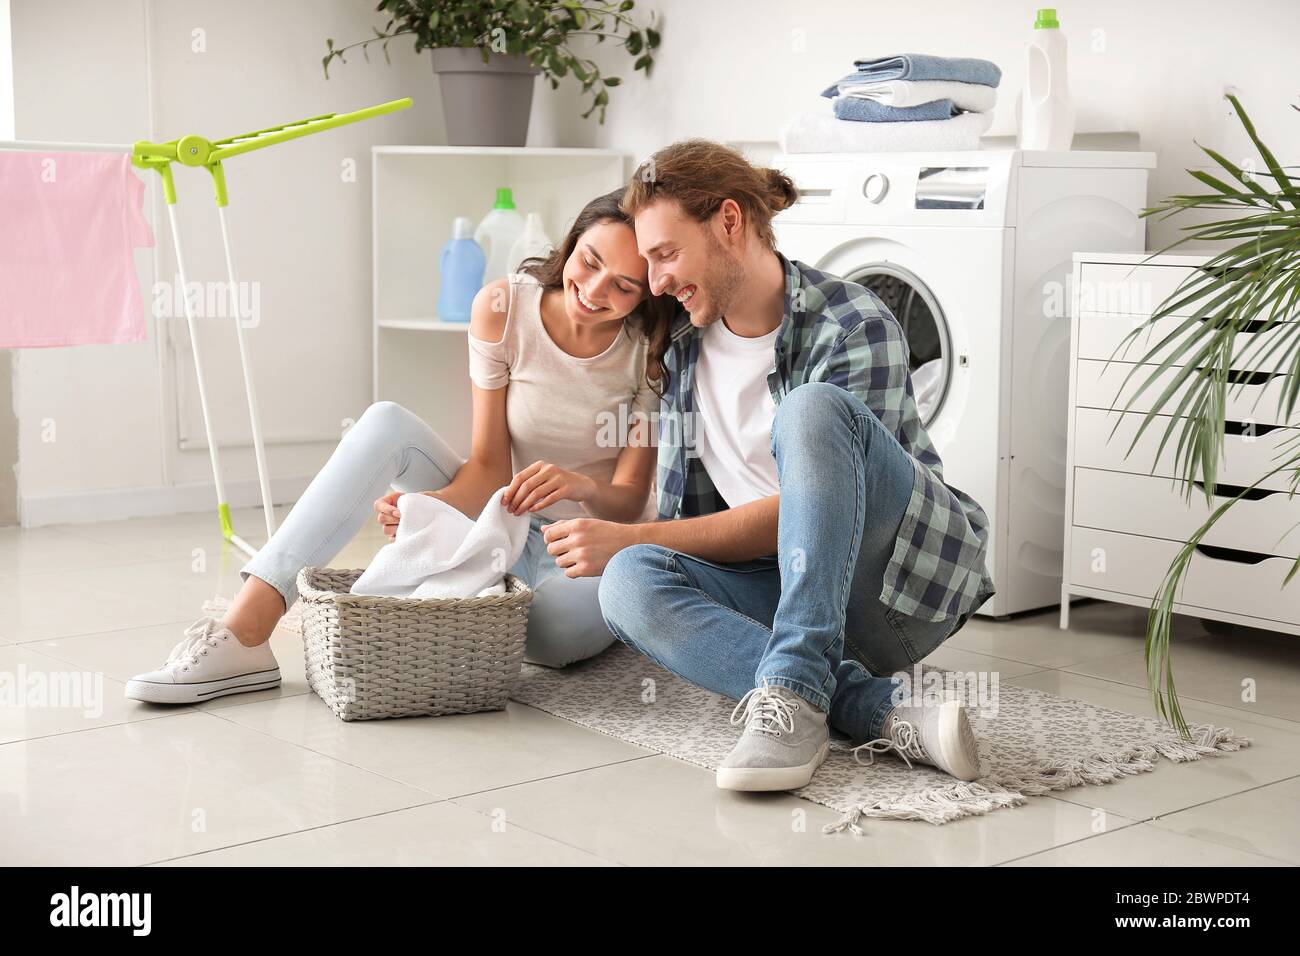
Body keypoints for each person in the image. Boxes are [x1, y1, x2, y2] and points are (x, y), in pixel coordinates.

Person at [540, 141, 997, 791]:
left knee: (811, 409)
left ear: (730, 222)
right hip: (777, 591)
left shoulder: (850, 320)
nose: (657, 280)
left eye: (666, 254)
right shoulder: (682, 347)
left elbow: (824, 508)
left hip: (888, 589)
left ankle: (791, 694)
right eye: (649, 263)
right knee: (627, 582)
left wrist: (635, 533)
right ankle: (868, 707)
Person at [125, 188, 672, 704]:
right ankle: (246, 632)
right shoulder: (504, 309)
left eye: (624, 286)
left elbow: (628, 501)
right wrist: (428, 508)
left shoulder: (649, 349)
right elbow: (487, 465)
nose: (595, 291)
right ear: (572, 242)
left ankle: (466, 592)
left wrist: (581, 486)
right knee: (385, 423)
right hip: (500, 516)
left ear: (646, 293)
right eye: (590, 260)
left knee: (550, 635)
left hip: (587, 546)